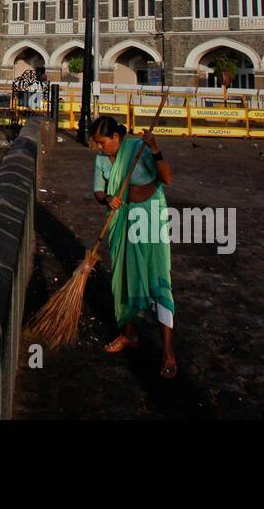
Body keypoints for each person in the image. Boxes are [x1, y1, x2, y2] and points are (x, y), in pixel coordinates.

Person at [89, 114, 178, 379]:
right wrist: (107, 198)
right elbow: (97, 191)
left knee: (158, 279)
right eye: (96, 143)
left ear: (116, 138)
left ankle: (168, 352)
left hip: (150, 217)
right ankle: (129, 334)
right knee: (122, 277)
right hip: (121, 218)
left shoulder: (137, 149)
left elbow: (167, 179)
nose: (99, 147)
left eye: (102, 142)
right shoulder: (101, 159)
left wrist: (155, 149)